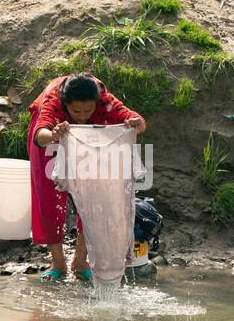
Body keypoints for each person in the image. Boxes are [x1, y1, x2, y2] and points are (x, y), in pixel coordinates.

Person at [28, 72, 146, 282]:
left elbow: (137, 121)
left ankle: (80, 260)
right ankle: (57, 262)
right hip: (52, 136)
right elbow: (40, 135)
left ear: (96, 103)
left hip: (89, 137)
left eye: (88, 110)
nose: (81, 116)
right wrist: (54, 134)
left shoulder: (104, 100)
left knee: (93, 194)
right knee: (48, 197)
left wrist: (133, 123)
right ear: (65, 105)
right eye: (76, 111)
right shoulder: (53, 102)